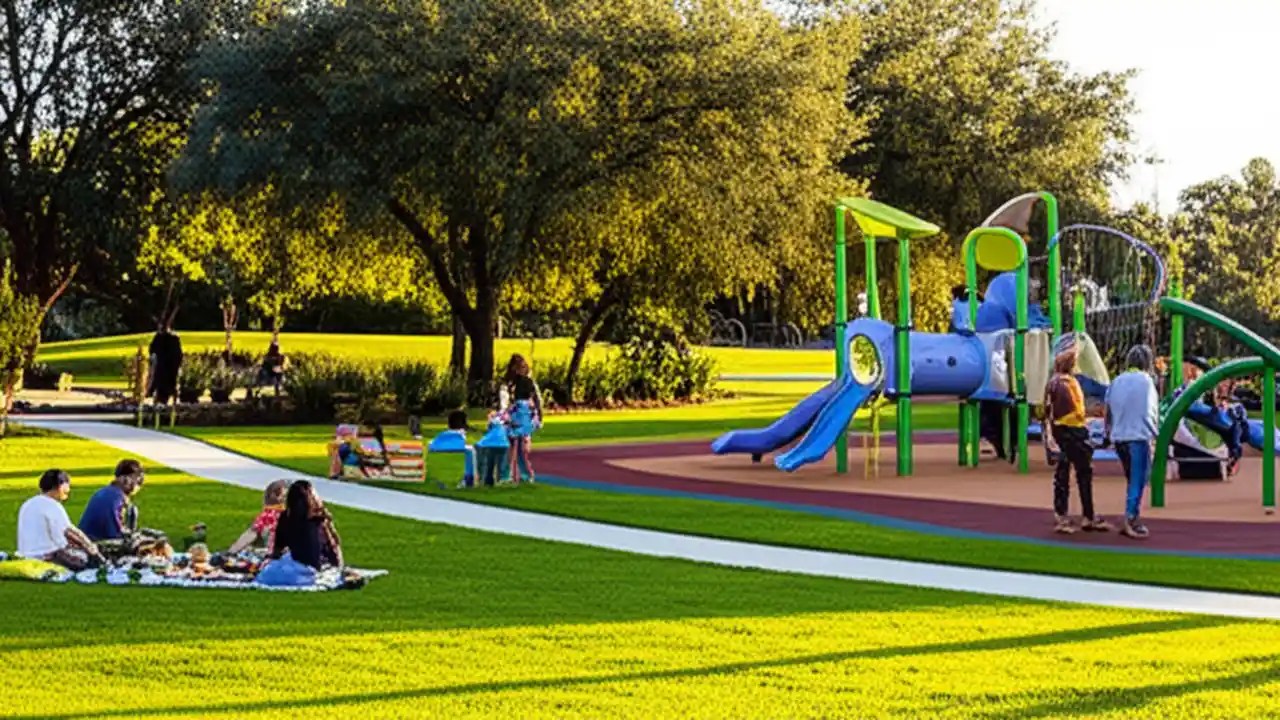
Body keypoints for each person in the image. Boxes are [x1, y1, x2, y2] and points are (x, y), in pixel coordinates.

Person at [1044, 344, 1112, 534]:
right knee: (1082, 473)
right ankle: (1085, 515)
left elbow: (1051, 411)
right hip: (1072, 432)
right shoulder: (1067, 384)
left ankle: (1064, 514)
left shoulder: (1054, 383)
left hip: (1061, 432)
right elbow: (1073, 412)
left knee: (1064, 474)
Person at [1104, 345, 1160, 540]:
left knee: (1131, 477)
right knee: (1139, 478)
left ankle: (1132, 511)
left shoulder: (1116, 381)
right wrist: (1155, 434)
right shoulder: (1147, 382)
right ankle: (1131, 517)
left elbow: (1108, 409)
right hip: (1138, 435)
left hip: (1120, 436)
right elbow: (1150, 410)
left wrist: (1108, 432)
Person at [16, 470, 106, 570]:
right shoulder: (53, 505)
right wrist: (91, 548)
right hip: (46, 555)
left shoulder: (28, 503)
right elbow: (69, 532)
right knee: (83, 558)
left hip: (26, 554)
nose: (68, 491)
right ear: (60, 486)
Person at [270, 480, 343, 569]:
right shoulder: (318, 521)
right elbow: (336, 558)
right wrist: (330, 526)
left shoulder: (286, 517)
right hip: (310, 572)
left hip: (290, 568)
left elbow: (277, 550)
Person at [501, 354, 543, 484]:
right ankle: (515, 475)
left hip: (518, 417)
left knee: (516, 448)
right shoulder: (511, 384)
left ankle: (515, 475)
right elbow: (536, 400)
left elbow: (536, 400)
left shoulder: (524, 382)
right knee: (514, 448)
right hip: (517, 417)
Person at [227, 479, 289, 554]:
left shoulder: (269, 514)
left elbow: (251, 534)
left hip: (276, 552)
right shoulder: (285, 513)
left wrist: (231, 552)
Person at [146, 320, 183, 405]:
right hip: (164, 367)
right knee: (166, 384)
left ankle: (163, 400)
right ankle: (165, 400)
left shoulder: (167, 339)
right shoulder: (167, 339)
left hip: (166, 367)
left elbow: (152, 351)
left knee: (166, 383)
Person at [476, 411, 511, 487]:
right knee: (503, 464)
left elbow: (490, 426)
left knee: (487, 464)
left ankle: (485, 479)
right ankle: (503, 479)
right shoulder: (504, 425)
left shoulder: (493, 423)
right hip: (503, 444)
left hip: (487, 445)